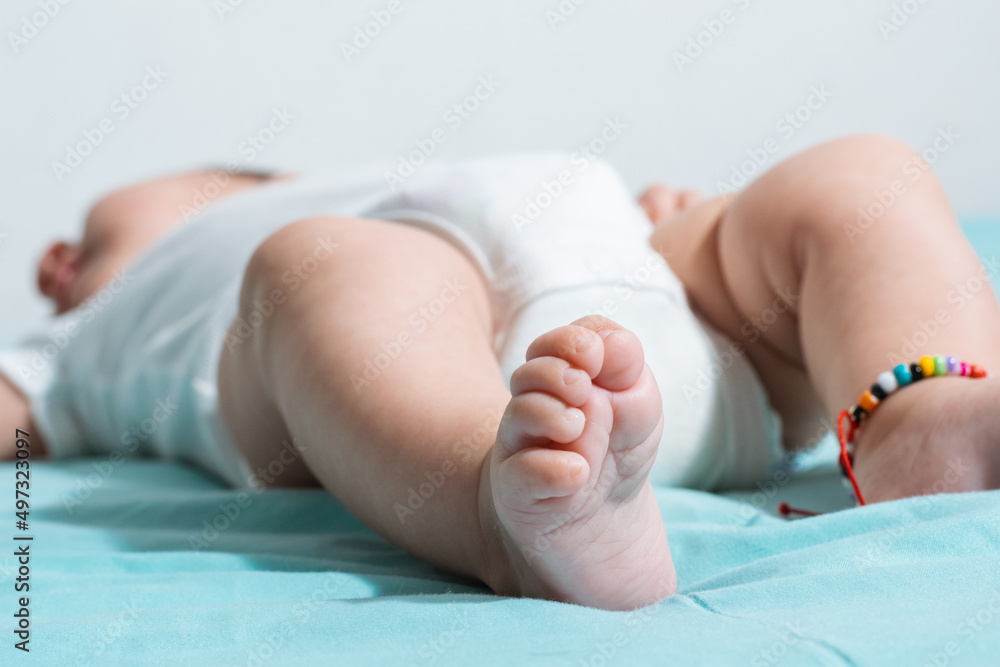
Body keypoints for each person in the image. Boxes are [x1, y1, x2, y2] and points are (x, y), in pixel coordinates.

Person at [2, 136, 999, 611]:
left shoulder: (373, 171)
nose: (54, 264)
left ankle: (924, 419)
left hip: (653, 292)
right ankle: (506, 508)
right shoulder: (80, 339)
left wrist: (702, 232)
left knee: (851, 180)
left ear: (234, 181)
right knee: (316, 267)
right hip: (420, 371)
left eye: (83, 231)